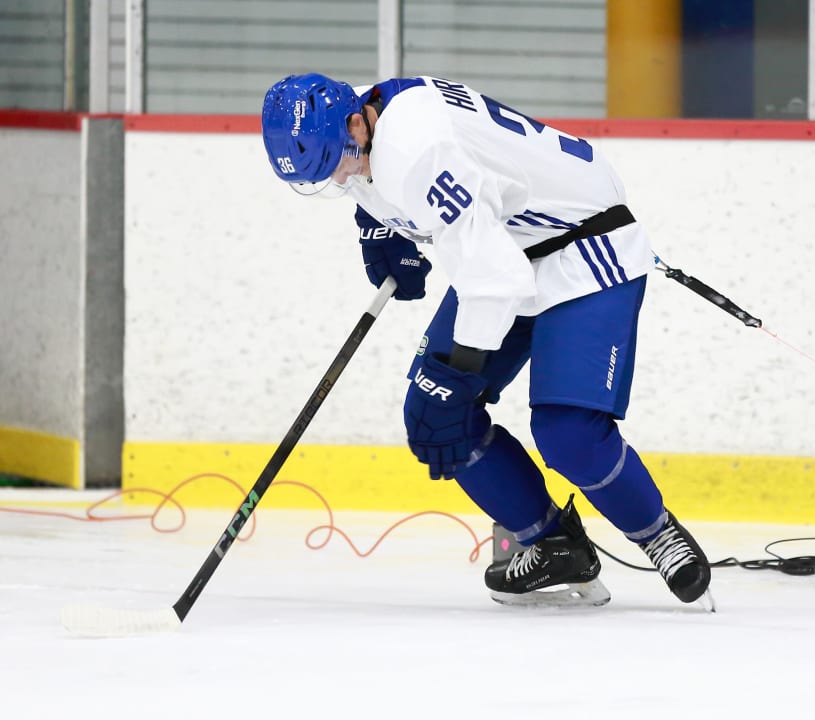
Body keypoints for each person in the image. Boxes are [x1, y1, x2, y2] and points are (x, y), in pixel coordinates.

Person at [259, 73, 713, 610]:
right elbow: (398, 192)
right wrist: (376, 224)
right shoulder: (355, 113)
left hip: (582, 248)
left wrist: (460, 365)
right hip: (506, 245)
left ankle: (654, 531)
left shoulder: (417, 151)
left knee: (567, 433)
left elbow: (496, 279)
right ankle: (553, 544)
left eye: (338, 160)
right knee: (436, 420)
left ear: (356, 123)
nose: (339, 176)